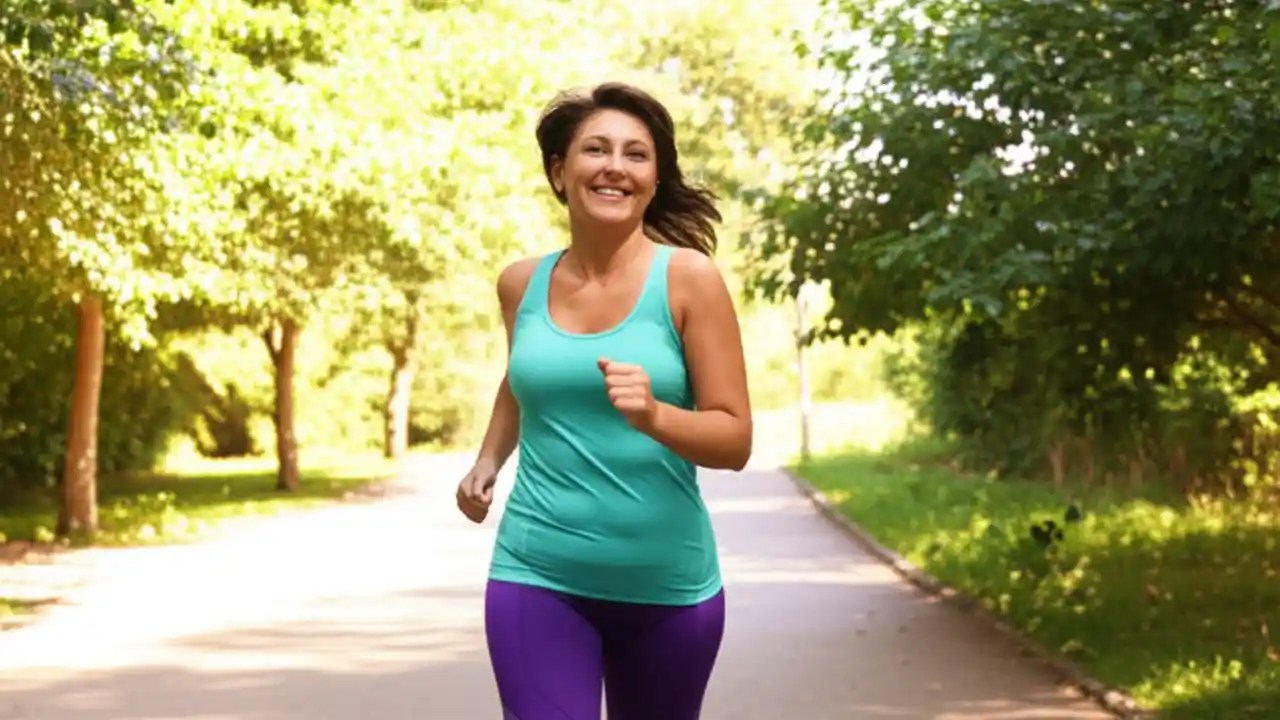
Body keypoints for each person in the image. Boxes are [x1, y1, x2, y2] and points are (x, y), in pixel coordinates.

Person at [455, 81, 753, 720]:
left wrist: (655, 415)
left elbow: (734, 440)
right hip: (536, 574)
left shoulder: (689, 280)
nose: (615, 166)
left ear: (653, 179)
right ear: (559, 171)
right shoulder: (520, 284)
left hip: (667, 588)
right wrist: (488, 459)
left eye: (635, 154)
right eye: (595, 149)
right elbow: (523, 378)